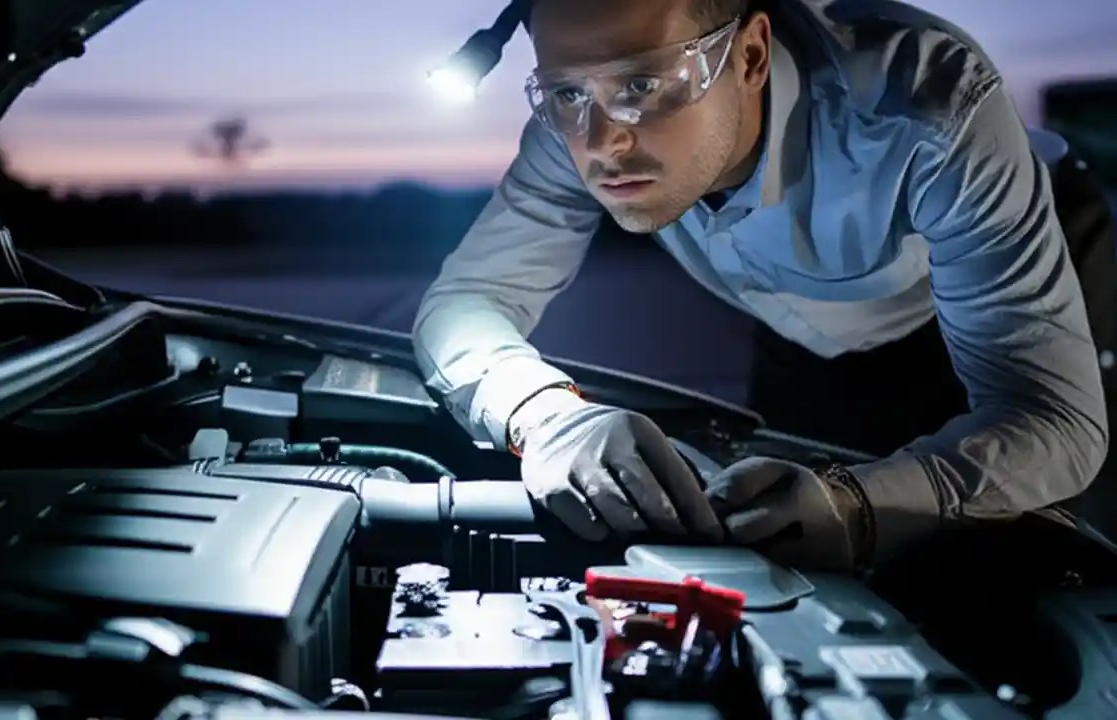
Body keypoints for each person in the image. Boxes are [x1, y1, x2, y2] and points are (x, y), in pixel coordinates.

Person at [411, 0, 1114, 572]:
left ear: (747, 56)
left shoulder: (929, 110)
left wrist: (861, 508)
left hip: (1003, 288)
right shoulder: (577, 134)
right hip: (801, 332)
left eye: (641, 86)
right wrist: (546, 418)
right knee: (781, 535)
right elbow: (466, 303)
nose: (602, 145)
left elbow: (1054, 419)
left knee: (1035, 562)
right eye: (566, 91)